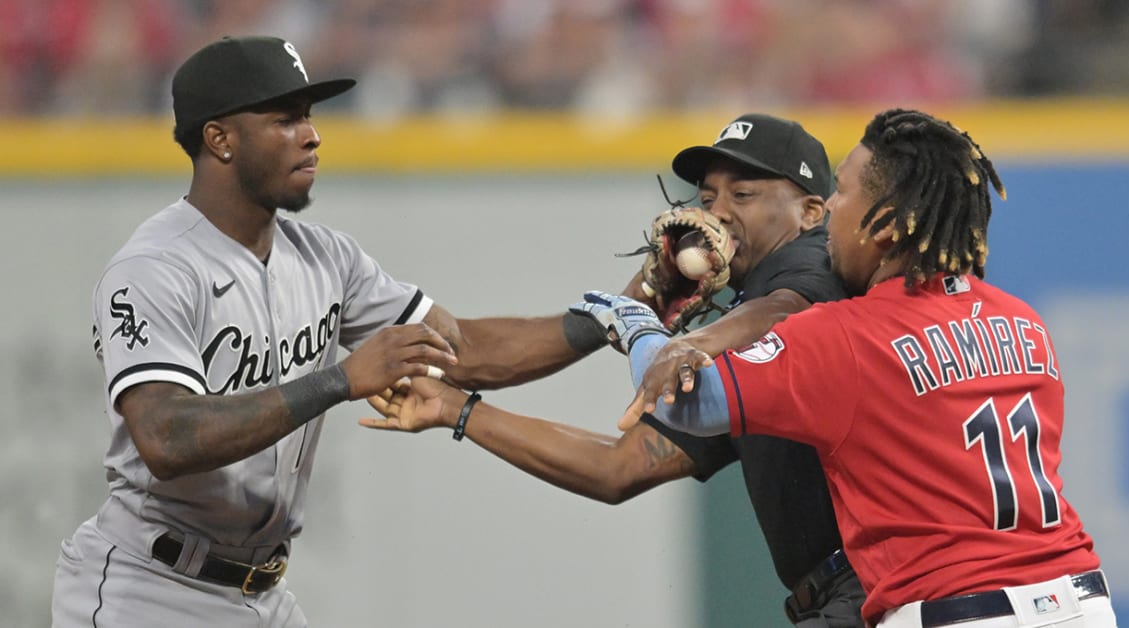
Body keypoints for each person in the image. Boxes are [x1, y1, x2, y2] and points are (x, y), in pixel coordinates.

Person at [51, 35, 609, 628]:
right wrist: (340, 380)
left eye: (309, 116)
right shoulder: (156, 268)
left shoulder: (325, 258)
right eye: (284, 119)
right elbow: (165, 438)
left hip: (259, 595)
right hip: (150, 591)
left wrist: (617, 312)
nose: (311, 135)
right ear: (220, 139)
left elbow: (465, 352)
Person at [592, 108, 1117, 627]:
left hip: (956, 610)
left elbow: (687, 405)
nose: (833, 209)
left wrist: (638, 322)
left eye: (842, 192)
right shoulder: (1022, 321)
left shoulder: (845, 333)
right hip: (1081, 601)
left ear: (886, 224)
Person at [361, 113, 867, 626]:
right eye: (708, 196)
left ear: (809, 212)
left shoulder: (813, 266)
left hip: (871, 585)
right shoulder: (737, 346)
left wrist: (687, 344)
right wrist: (456, 409)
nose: (718, 212)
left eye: (744, 195)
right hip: (842, 594)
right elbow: (617, 468)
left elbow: (788, 308)